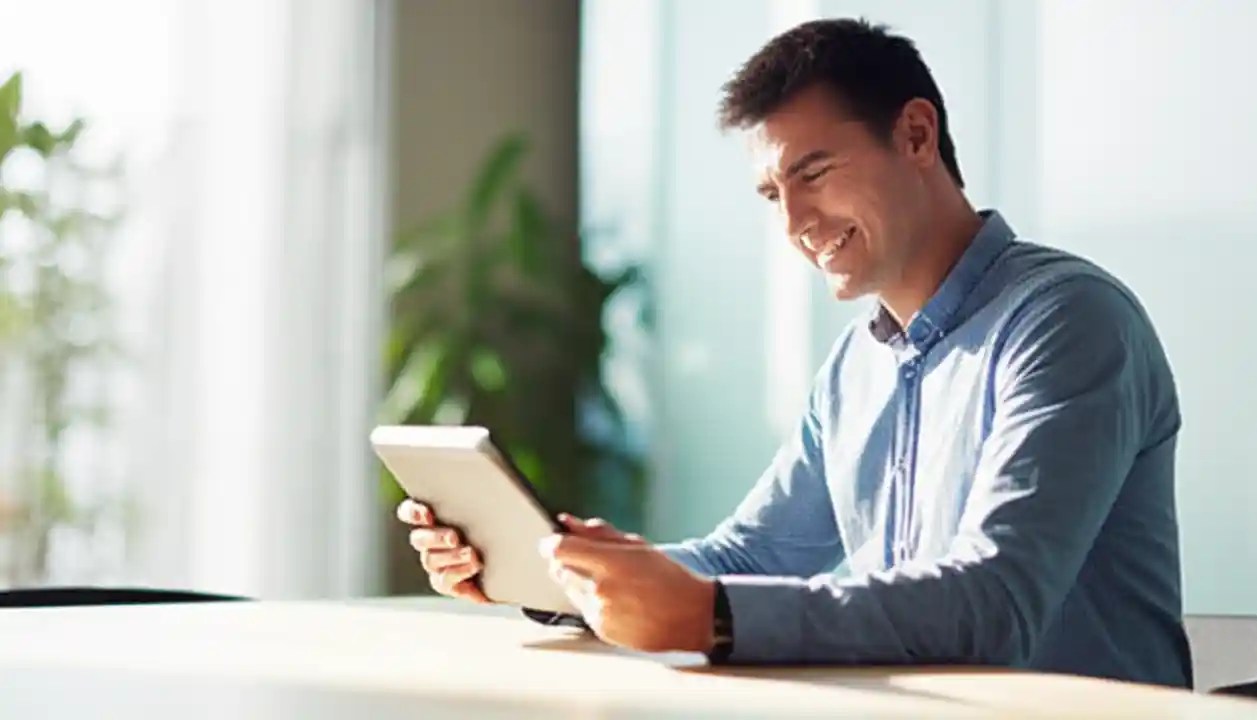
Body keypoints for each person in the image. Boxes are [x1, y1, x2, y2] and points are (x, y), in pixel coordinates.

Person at [398, 17, 1191, 687]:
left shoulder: (1067, 323)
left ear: (917, 134)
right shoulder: (859, 363)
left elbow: (997, 601)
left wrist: (708, 613)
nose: (796, 223)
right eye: (775, 194)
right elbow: (753, 553)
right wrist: (558, 573)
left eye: (814, 172)